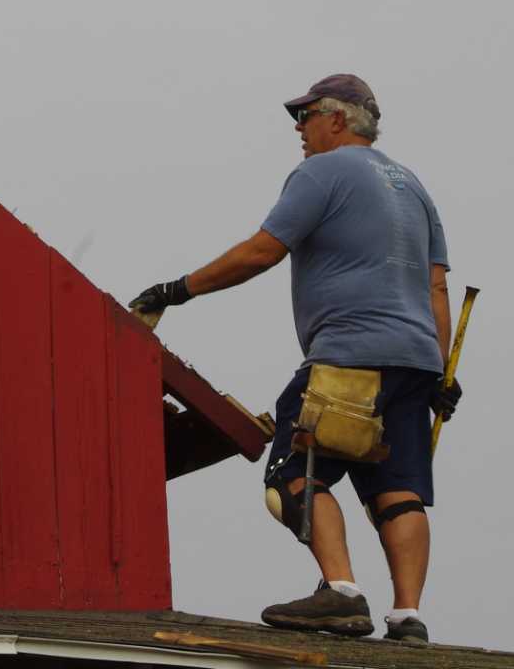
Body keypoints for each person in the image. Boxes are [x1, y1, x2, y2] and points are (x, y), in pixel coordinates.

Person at [129, 74, 459, 645]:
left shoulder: (322, 173)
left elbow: (262, 251)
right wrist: (440, 370)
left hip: (347, 359)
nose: (299, 131)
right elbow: (436, 288)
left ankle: (342, 593)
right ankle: (408, 617)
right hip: (415, 363)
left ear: (337, 119)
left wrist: (175, 290)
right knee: (397, 490)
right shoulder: (412, 186)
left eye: (305, 117)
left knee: (291, 476)